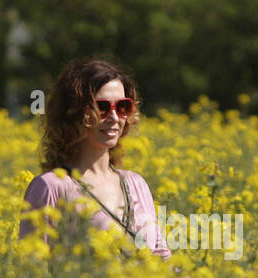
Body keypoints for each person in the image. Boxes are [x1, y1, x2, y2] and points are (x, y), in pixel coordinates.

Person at [18, 58, 171, 260]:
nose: (115, 118)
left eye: (123, 107)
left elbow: (162, 258)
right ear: (73, 113)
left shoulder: (136, 184)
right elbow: (31, 273)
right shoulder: (51, 187)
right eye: (102, 107)